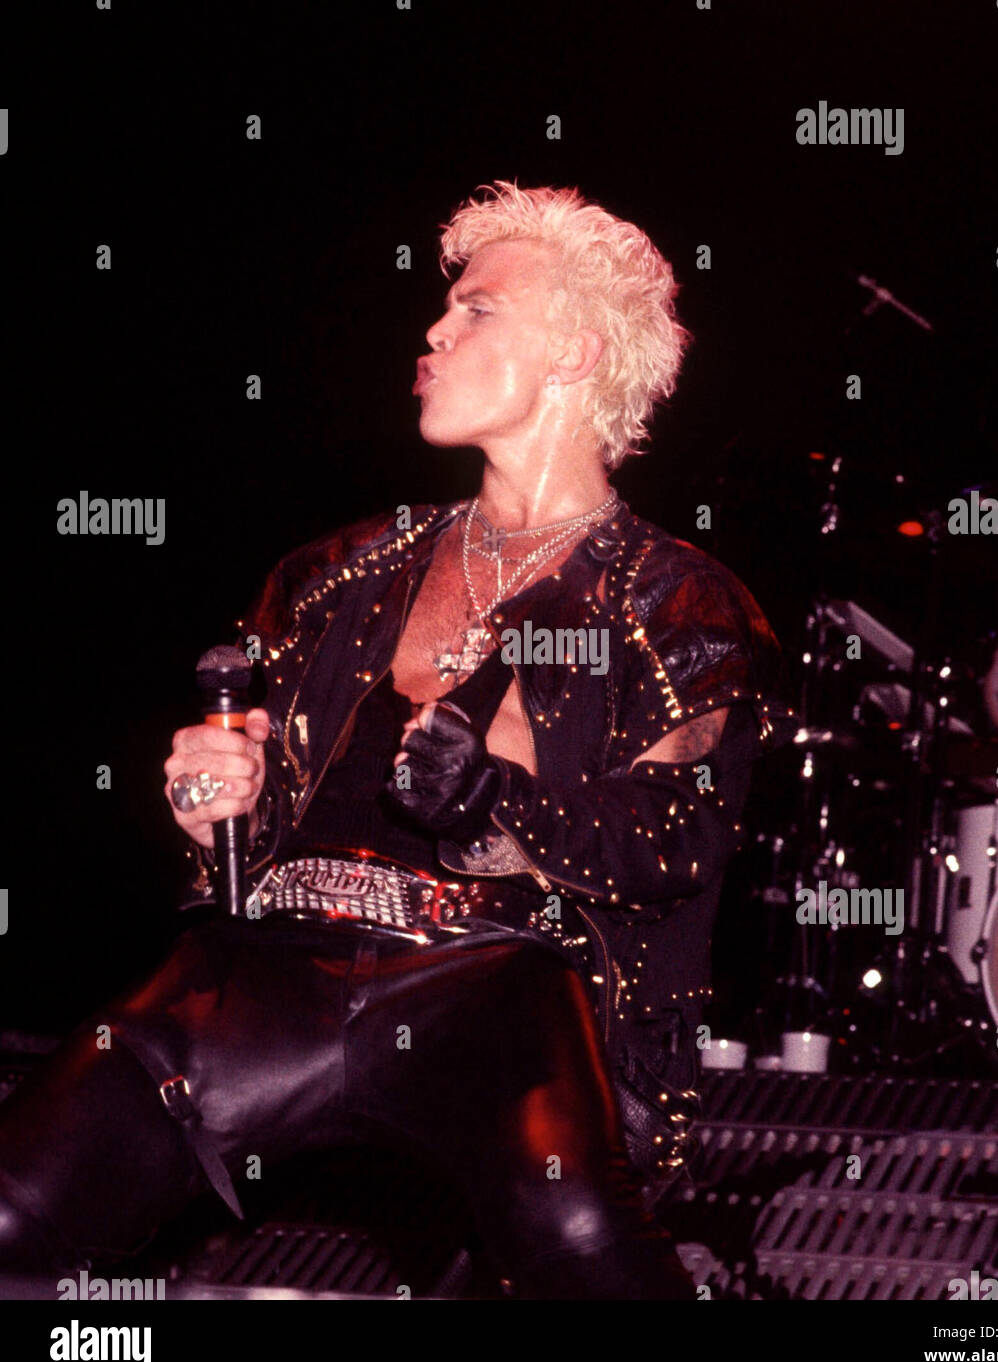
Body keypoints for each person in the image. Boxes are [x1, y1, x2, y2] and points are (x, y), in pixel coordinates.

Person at [0, 181, 793, 1299]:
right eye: (443, 308)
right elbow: (248, 823)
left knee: (587, 1264)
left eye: (475, 309)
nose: (432, 329)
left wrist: (494, 805)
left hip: (499, 981)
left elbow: (674, 837)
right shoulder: (334, 573)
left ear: (570, 350)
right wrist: (212, 802)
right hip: (263, 973)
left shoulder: (675, 598)